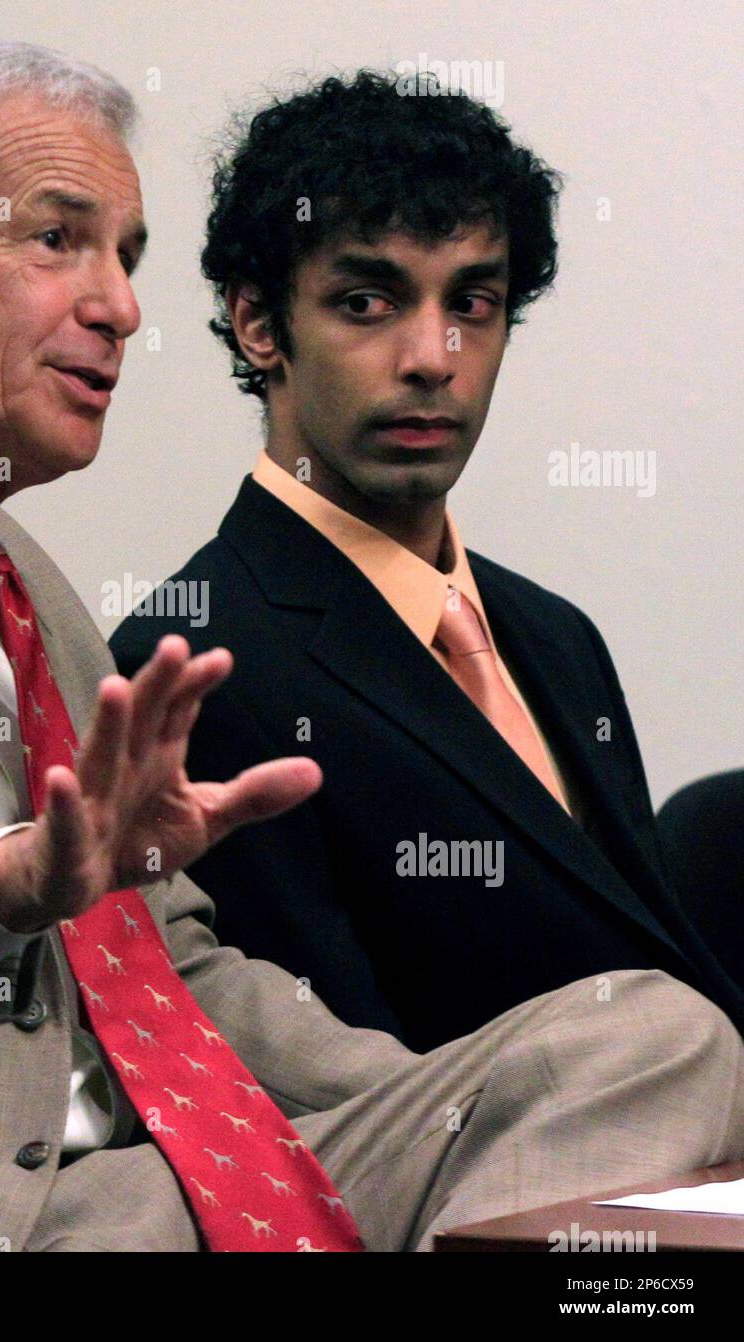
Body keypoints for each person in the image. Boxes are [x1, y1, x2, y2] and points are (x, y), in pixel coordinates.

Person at [0, 41, 741, 1253]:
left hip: (156, 1183)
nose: (120, 306)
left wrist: (432, 1105)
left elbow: (168, 964)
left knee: (652, 1034)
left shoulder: (30, 595)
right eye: (56, 240)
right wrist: (8, 878)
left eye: (124, 257)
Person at [110, 70, 744, 1054]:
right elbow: (335, 1099)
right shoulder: (194, 659)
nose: (431, 356)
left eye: (472, 303)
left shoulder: (551, 634)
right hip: (463, 1201)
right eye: (367, 301)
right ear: (257, 324)